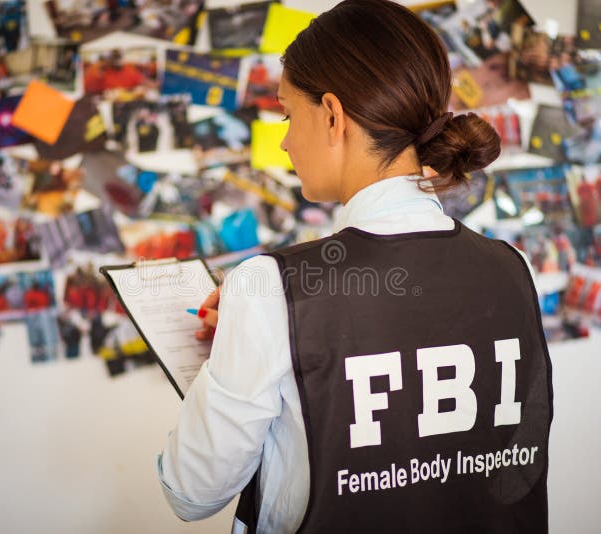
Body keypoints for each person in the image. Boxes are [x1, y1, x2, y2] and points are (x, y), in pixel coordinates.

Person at [157, 1, 552, 533]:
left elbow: (189, 492)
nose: (285, 139)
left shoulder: (268, 287)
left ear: (333, 116)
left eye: (286, 114)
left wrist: (244, 336)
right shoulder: (514, 269)